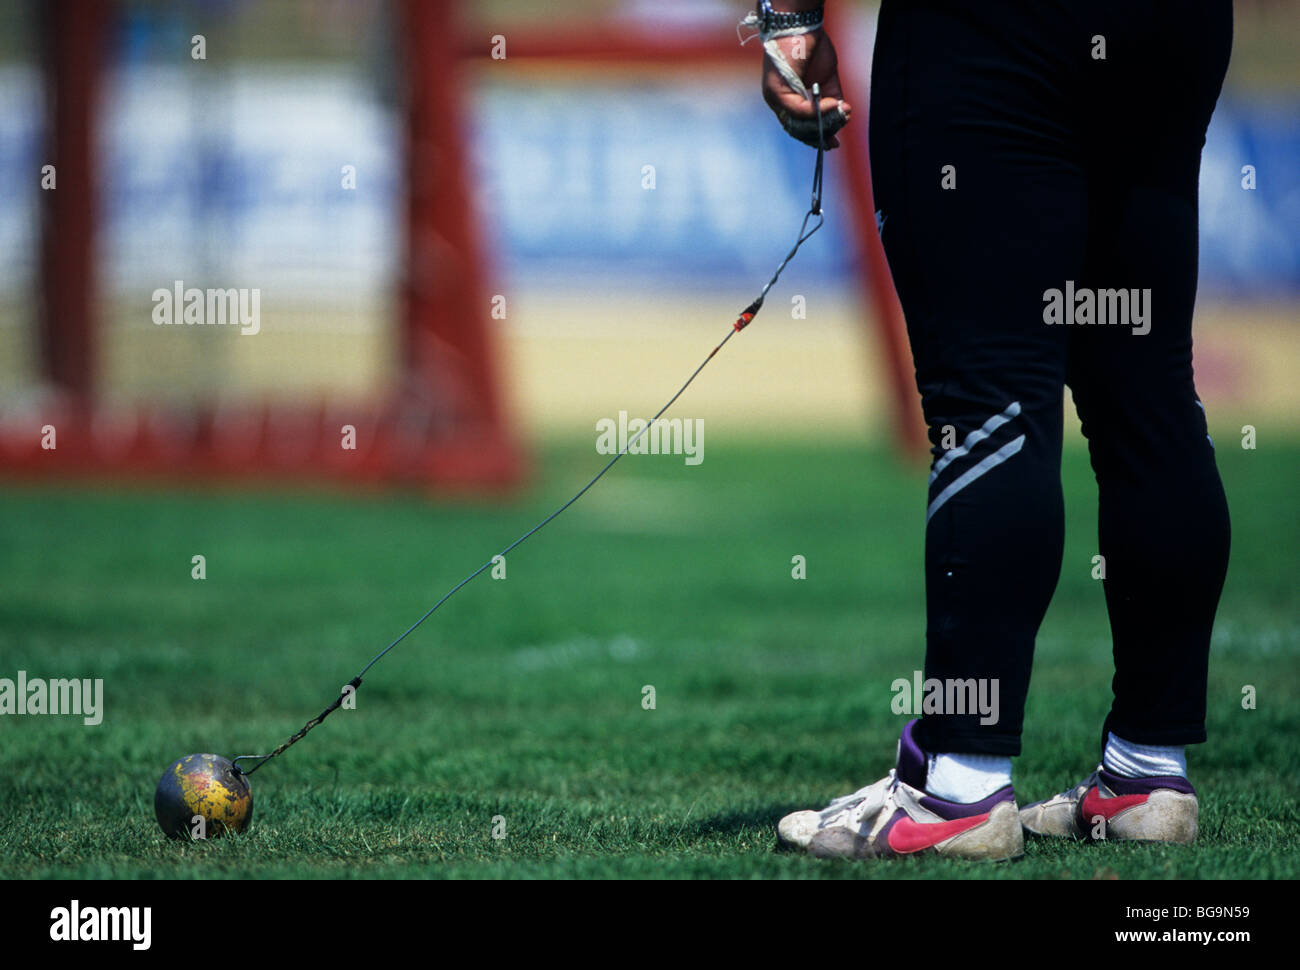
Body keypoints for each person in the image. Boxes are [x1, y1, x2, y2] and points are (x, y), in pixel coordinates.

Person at [751, 0, 1233, 860]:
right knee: (1150, 395)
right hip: (1172, 26)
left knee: (990, 400)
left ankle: (959, 789)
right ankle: (1147, 773)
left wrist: (788, 15)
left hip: (993, 26)